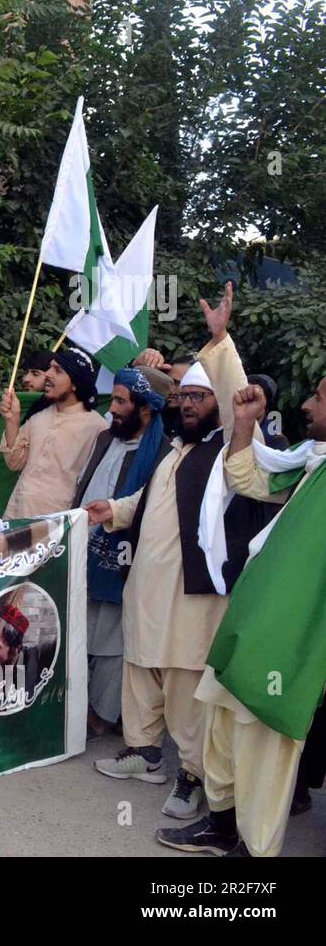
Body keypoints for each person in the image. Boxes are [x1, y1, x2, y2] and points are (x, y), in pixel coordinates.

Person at [84, 284, 275, 820]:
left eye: (198, 397)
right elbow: (148, 501)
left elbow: (243, 407)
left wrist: (220, 339)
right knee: (141, 666)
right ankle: (144, 754)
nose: (188, 404)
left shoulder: (228, 450)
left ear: (216, 405)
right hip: (147, 583)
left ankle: (192, 776)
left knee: (187, 681)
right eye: (183, 398)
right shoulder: (174, 450)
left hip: (193, 591)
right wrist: (115, 512)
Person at [156, 377, 326, 857]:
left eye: (318, 397)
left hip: (289, 638)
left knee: (264, 754)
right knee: (223, 731)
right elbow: (247, 479)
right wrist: (247, 423)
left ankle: (255, 850)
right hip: (249, 622)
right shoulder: (312, 461)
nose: (307, 404)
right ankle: (222, 827)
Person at [70, 367, 169, 738]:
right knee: (82, 627)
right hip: (86, 545)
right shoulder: (105, 438)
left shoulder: (162, 454)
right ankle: (75, 705)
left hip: (124, 555)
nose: (112, 408)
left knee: (113, 638)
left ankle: (103, 715)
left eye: (120, 401)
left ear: (145, 409)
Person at [0, 346, 106, 518]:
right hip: (16, 516)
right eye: (50, 368)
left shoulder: (98, 428)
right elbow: (14, 463)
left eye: (58, 370)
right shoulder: (39, 417)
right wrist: (12, 420)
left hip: (58, 526)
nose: (48, 374)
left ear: (75, 384)